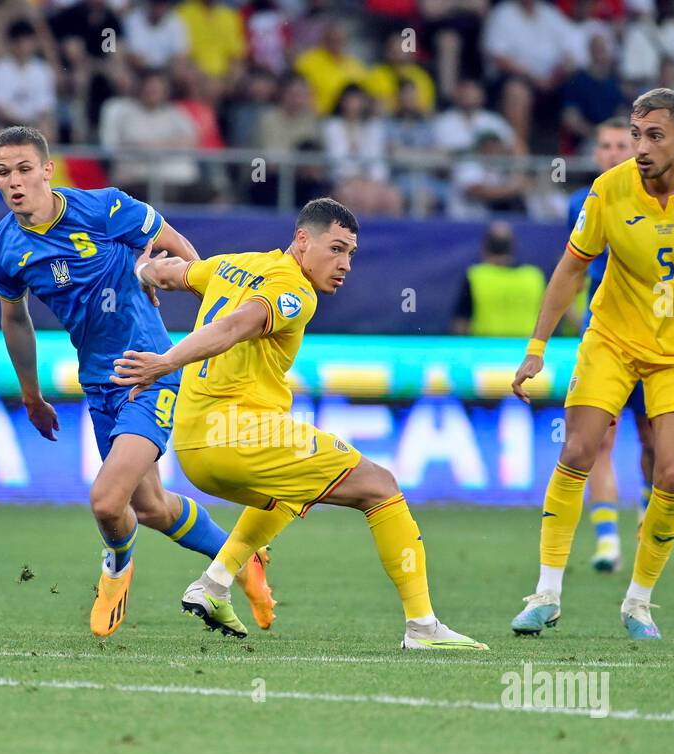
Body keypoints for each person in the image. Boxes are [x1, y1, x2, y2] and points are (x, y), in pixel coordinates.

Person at [112, 198, 487, 651]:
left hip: (193, 446)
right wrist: (164, 362)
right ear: (302, 240)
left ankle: (214, 583)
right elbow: (234, 326)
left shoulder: (233, 264)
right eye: (337, 249)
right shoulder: (295, 293)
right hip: (238, 435)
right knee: (380, 486)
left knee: (296, 490)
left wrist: (144, 273)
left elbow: (175, 274)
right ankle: (423, 628)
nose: (345, 264)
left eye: (351, 254)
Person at [0, 126, 272, 638]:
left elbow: (177, 246)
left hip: (149, 371)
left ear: (48, 170)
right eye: (3, 173)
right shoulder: (3, 248)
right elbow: (15, 319)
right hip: (98, 382)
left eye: (25, 169)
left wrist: (201, 317)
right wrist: (30, 393)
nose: (15, 181)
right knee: (151, 507)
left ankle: (116, 570)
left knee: (105, 502)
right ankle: (241, 558)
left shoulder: (104, 208)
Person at [509, 88, 674, 641]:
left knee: (670, 472)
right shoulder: (608, 190)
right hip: (612, 339)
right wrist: (536, 348)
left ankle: (638, 604)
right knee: (578, 448)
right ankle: (546, 593)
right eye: (636, 134)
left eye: (654, 136)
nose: (641, 147)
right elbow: (571, 270)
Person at [565, 117, 655, 573]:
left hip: (657, 336)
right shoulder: (580, 204)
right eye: (605, 144)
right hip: (602, 332)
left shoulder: (662, 199)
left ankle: (644, 523)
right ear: (597, 153)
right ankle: (606, 542)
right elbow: (573, 268)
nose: (614, 152)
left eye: (623, 143)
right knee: (598, 441)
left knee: (652, 440)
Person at [450, 221, 545, 337]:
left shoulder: (476, 276)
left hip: (487, 349)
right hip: (527, 349)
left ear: (484, 248)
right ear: (513, 247)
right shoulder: (534, 276)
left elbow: (461, 324)